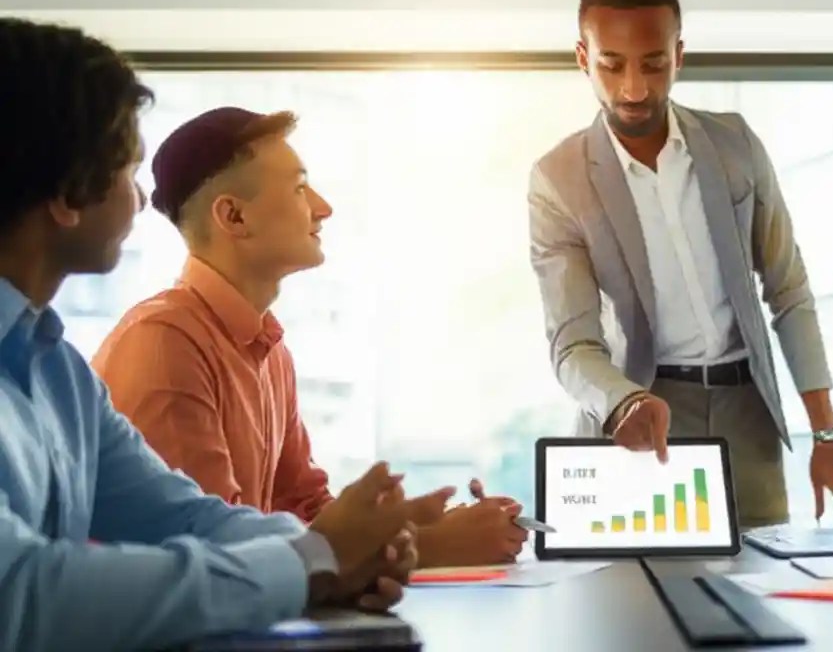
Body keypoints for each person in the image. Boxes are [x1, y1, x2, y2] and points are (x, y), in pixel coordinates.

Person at [0, 16, 429, 651]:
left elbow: (186, 515)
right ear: (69, 195)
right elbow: (22, 595)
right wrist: (314, 560)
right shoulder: (158, 338)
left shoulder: (59, 371)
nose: (142, 200)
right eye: (127, 168)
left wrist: (330, 555)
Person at [91, 106, 529, 566]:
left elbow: (306, 510)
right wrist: (429, 547)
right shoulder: (165, 343)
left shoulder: (269, 346)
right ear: (234, 217)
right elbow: (210, 550)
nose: (323, 207)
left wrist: (418, 525)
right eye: (300, 188)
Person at [527, 0, 833, 527]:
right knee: (639, 603)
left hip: (746, 412)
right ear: (584, 58)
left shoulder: (735, 145)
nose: (634, 88)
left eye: (654, 64)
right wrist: (622, 402)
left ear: (678, 55)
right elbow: (572, 344)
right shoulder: (557, 178)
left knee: (758, 596)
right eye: (611, 65)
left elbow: (789, 292)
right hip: (640, 414)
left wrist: (825, 433)